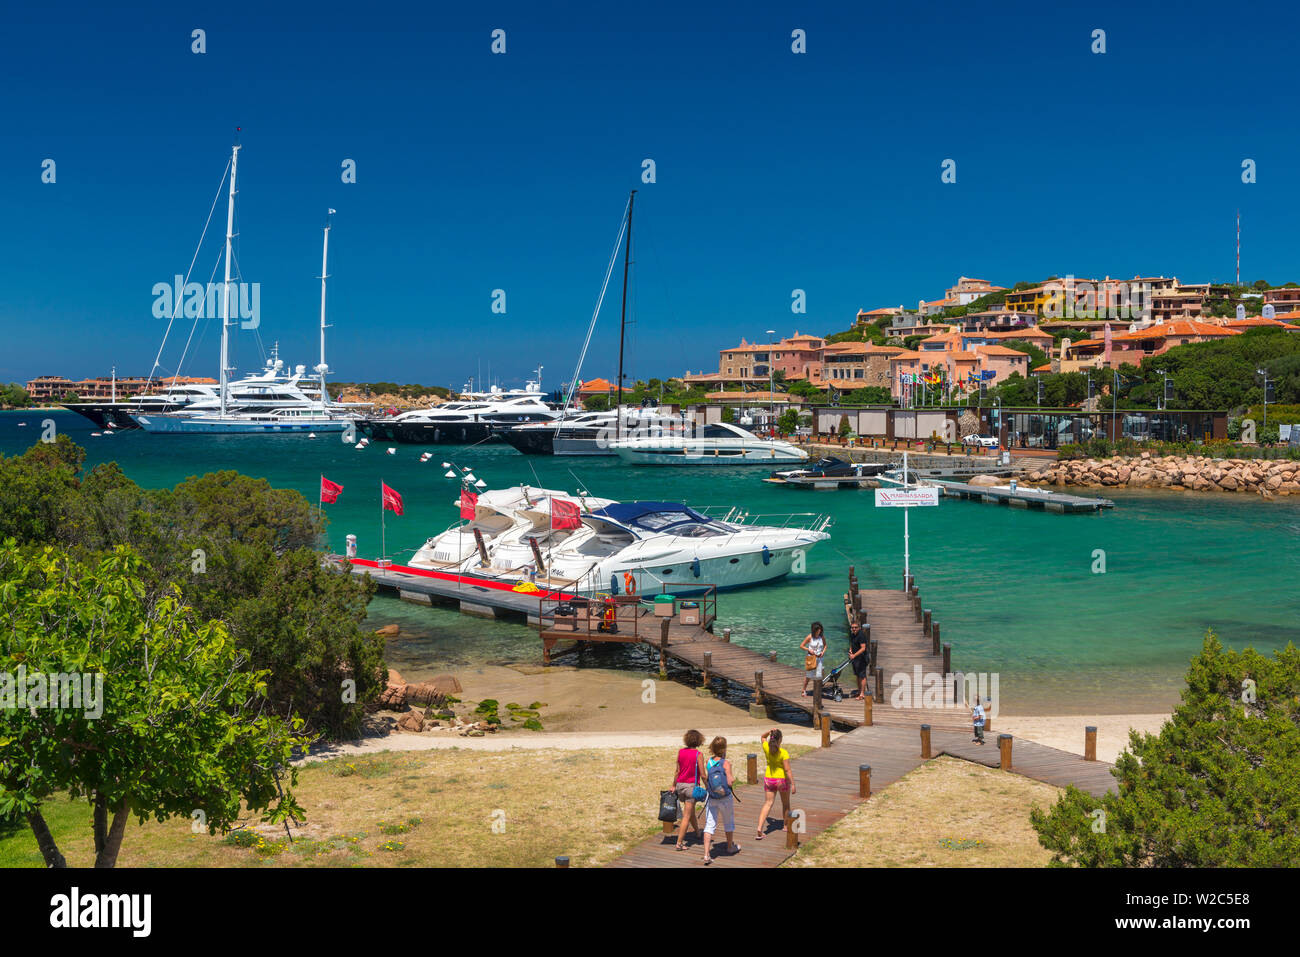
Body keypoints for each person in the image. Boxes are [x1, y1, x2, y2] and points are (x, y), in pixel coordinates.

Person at [701, 736, 738, 864]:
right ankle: (730, 847)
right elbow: (730, 781)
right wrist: (732, 779)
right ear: (724, 749)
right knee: (728, 822)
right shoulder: (726, 763)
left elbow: (707, 778)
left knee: (709, 824)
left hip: (711, 797)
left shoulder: (708, 762)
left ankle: (706, 854)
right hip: (725, 798)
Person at [755, 728, 794, 840]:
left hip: (769, 779)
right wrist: (793, 783)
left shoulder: (767, 748)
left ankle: (759, 827)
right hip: (781, 780)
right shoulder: (783, 753)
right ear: (780, 740)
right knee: (785, 803)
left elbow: (762, 737)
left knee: (768, 803)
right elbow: (787, 770)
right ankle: (785, 826)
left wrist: (768, 731)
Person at [671, 729, 706, 849]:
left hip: (680, 786)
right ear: (699, 741)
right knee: (686, 815)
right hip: (691, 787)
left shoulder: (681, 752)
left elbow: (677, 771)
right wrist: (708, 787)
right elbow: (703, 774)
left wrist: (673, 785)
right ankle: (679, 843)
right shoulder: (698, 754)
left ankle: (697, 832)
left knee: (689, 812)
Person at [800, 622, 826, 696]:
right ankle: (803, 690)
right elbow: (801, 646)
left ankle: (817, 691)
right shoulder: (810, 636)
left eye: (820, 630)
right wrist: (809, 650)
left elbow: (825, 646)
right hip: (811, 658)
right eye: (817, 630)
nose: (819, 631)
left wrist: (823, 652)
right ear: (814, 630)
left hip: (820, 658)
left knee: (818, 675)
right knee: (809, 675)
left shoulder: (822, 637)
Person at [847, 619, 869, 699]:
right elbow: (852, 643)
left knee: (862, 676)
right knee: (857, 675)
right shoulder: (852, 634)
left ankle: (862, 694)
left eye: (856, 627)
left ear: (859, 628)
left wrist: (854, 655)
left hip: (862, 658)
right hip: (855, 658)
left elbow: (863, 648)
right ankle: (859, 691)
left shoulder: (861, 635)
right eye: (852, 627)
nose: (854, 629)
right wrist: (850, 649)